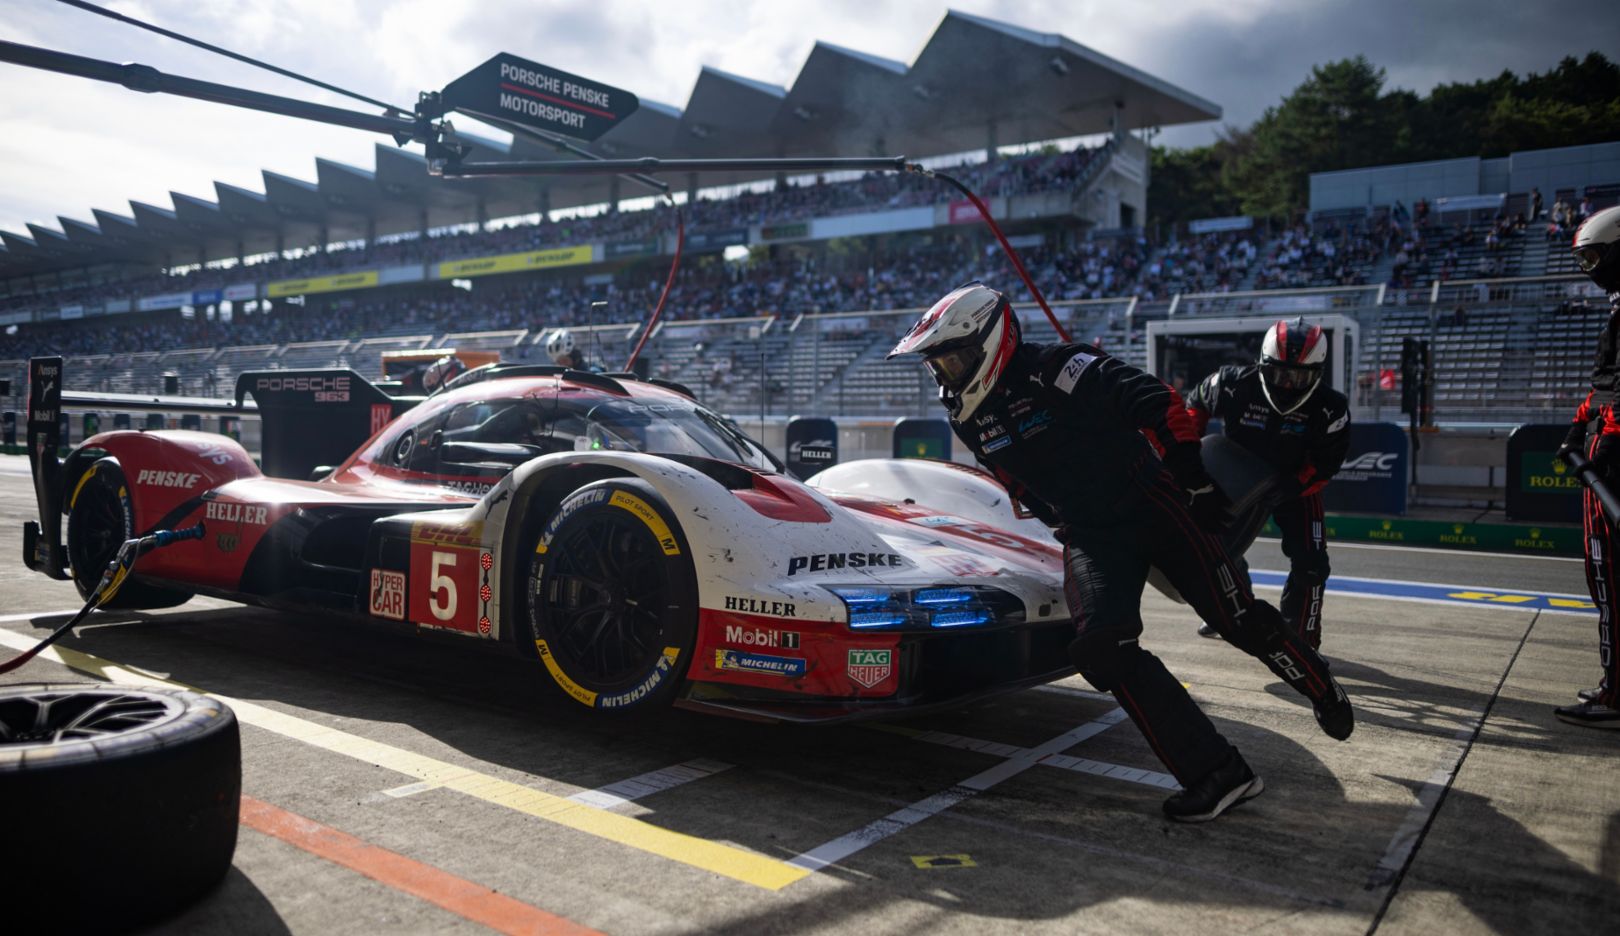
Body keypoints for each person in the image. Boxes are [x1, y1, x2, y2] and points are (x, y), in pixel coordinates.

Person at [889, 282, 1353, 822]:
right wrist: (1058, 521)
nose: (947, 373)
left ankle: (1318, 683)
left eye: (954, 358)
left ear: (990, 342)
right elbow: (1014, 480)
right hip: (1091, 533)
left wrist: (1192, 480)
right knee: (1100, 648)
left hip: (1156, 503)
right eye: (937, 364)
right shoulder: (965, 415)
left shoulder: (1060, 368)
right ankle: (1218, 773)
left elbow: (1158, 401)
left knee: (1236, 618)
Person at [1183, 318, 1351, 649]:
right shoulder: (1230, 382)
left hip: (1296, 486)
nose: (1288, 384)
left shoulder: (1332, 409)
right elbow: (1194, 404)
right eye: (1279, 373)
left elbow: (1326, 464)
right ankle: (1231, 610)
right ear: (1263, 363)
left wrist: (1296, 484)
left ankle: (1302, 638)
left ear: (1317, 374)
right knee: (1217, 548)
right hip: (1237, 477)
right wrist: (1189, 451)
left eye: (1299, 376)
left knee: (1313, 564)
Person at [1555, 205, 1620, 728]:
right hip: (1603, 455)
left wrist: (1602, 442)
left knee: (1609, 578)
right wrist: (1580, 424)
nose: (1590, 269)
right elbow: (1606, 388)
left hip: (1611, 471)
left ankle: (1615, 693)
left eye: (1595, 257)